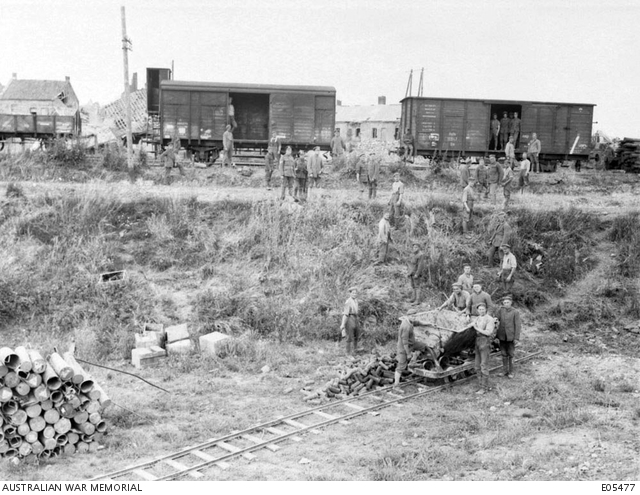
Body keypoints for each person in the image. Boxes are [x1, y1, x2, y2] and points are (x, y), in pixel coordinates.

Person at [394, 317, 426, 389]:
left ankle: (413, 361)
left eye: (415, 316)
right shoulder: (406, 326)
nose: (414, 318)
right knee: (401, 366)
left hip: (411, 344)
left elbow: (416, 322)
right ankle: (396, 385)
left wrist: (428, 323)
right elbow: (404, 342)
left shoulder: (410, 321)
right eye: (413, 316)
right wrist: (408, 353)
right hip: (403, 348)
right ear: (408, 316)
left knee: (423, 346)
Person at [495, 294, 521, 379]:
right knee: (503, 354)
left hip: (511, 336)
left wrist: (516, 338)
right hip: (502, 336)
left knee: (511, 354)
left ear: (511, 303)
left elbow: (518, 325)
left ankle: (511, 371)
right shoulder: (500, 310)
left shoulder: (515, 312)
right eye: (504, 302)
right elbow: (496, 319)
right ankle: (504, 371)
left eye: (507, 302)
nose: (506, 304)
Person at [473, 302, 496, 394]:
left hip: (485, 341)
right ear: (477, 310)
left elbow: (488, 332)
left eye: (483, 309)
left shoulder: (489, 319)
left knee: (483, 365)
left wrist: (476, 328)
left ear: (486, 309)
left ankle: (484, 388)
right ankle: (480, 386)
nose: (481, 311)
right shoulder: (477, 318)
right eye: (479, 309)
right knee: (477, 366)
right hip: (477, 341)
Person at [339, 287, 361, 356]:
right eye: (353, 293)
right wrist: (342, 324)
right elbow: (345, 314)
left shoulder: (356, 301)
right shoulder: (348, 302)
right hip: (349, 318)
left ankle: (355, 350)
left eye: (355, 293)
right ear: (350, 293)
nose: (354, 294)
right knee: (349, 337)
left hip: (355, 318)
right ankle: (348, 353)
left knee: (356, 335)